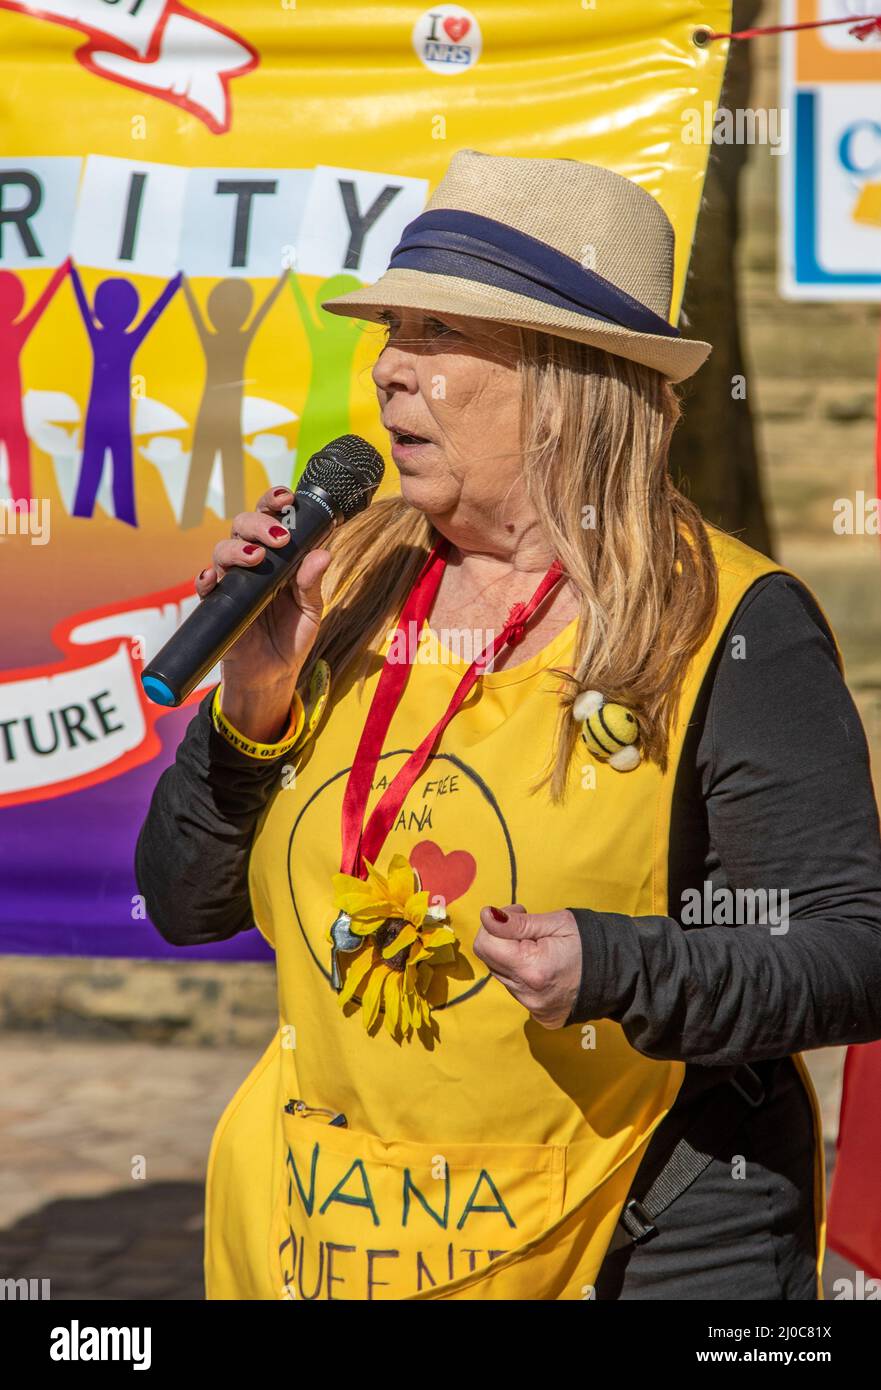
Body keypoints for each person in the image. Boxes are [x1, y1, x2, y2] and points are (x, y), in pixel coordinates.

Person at [135, 150, 881, 1301]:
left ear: (569, 378)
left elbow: (848, 951)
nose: (388, 369)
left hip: (644, 1234)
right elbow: (185, 906)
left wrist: (620, 966)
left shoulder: (733, 624)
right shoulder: (344, 573)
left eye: (438, 333)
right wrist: (250, 705)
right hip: (325, 1226)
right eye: (392, 331)